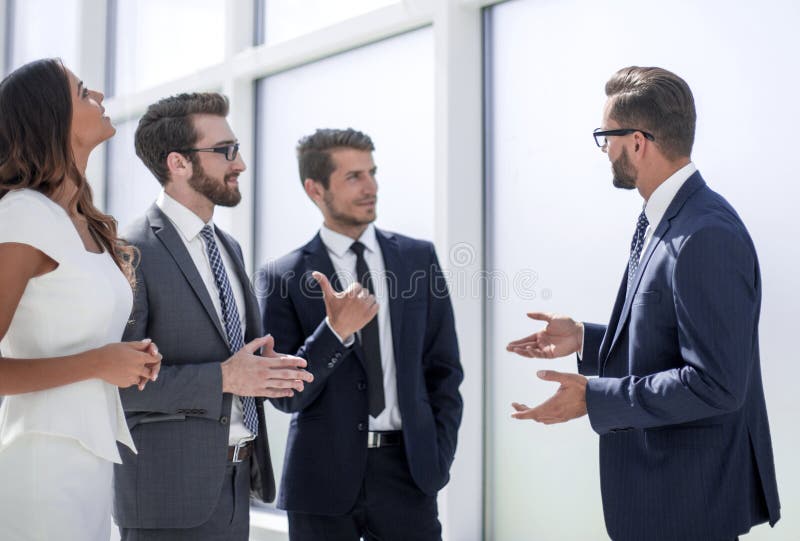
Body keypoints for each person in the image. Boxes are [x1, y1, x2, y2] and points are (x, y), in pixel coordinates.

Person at [507, 66, 780, 541]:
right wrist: (585, 339)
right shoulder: (669, 218)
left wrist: (593, 398)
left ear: (637, 141)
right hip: (665, 503)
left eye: (605, 136)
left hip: (686, 509)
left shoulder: (705, 233)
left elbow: (716, 384)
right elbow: (670, 340)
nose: (605, 151)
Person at [113, 92, 314, 541]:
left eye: (236, 149)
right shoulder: (130, 250)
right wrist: (224, 378)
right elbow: (115, 386)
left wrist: (263, 371)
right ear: (178, 163)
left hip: (235, 486)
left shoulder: (228, 247)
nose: (239, 163)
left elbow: (233, 363)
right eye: (225, 151)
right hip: (167, 500)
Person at [257, 128, 463, 541]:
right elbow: (284, 394)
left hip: (410, 474)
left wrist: (437, 457)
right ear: (315, 189)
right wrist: (335, 332)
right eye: (353, 177)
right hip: (320, 479)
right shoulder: (283, 275)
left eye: (371, 172)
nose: (372, 187)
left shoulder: (418, 258)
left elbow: (444, 370)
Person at [0, 58, 161, 541]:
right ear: (52, 119)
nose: (101, 96)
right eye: (83, 92)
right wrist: (97, 363)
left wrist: (127, 361)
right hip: (40, 464)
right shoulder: (23, 216)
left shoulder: (86, 223)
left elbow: (87, 342)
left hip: (89, 462)